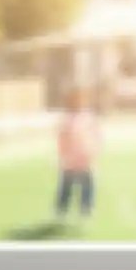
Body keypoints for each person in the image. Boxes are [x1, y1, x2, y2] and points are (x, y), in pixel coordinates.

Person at [56, 88, 101, 221]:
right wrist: (63, 155)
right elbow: (61, 138)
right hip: (70, 161)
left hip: (85, 158)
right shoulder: (66, 119)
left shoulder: (88, 117)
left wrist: (94, 151)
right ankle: (61, 211)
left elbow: (96, 135)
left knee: (88, 185)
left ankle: (86, 209)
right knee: (66, 186)